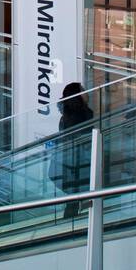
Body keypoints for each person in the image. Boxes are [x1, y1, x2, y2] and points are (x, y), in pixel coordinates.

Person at [51, 82, 94, 219]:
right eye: (83, 90)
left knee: (74, 198)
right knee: (75, 198)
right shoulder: (79, 117)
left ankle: (70, 223)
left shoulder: (67, 115)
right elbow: (82, 144)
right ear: (77, 95)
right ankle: (71, 224)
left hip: (70, 165)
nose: (87, 92)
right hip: (76, 164)